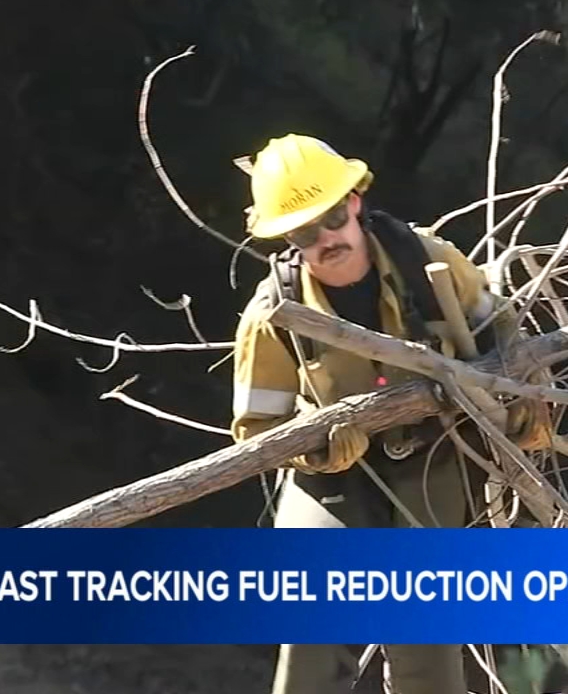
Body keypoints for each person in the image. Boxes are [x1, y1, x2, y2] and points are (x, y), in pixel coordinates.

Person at [229, 133, 551, 694]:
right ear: (287, 240)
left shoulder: (428, 263)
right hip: (329, 477)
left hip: (432, 456)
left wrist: (526, 397)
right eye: (305, 233)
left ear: (354, 201)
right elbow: (256, 431)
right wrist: (315, 450)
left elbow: (502, 336)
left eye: (333, 218)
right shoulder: (273, 314)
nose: (326, 239)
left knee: (426, 635)